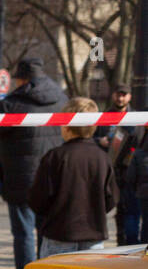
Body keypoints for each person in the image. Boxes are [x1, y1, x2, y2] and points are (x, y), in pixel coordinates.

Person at [0, 56, 65, 269]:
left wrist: (1, 102)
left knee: (24, 234)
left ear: (22, 79)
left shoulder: (14, 103)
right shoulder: (62, 99)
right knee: (48, 234)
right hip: (53, 177)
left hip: (22, 179)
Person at [30, 97, 117, 257]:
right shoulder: (102, 158)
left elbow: (38, 199)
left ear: (67, 126)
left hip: (59, 233)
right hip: (93, 235)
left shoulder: (54, 157)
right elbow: (111, 198)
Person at [94, 83, 137, 243]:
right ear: (113, 95)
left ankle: (126, 242)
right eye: (118, 94)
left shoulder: (136, 117)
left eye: (124, 94)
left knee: (127, 209)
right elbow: (92, 138)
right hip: (107, 169)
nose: (120, 98)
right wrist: (100, 141)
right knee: (104, 207)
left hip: (129, 170)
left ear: (129, 96)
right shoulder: (104, 117)